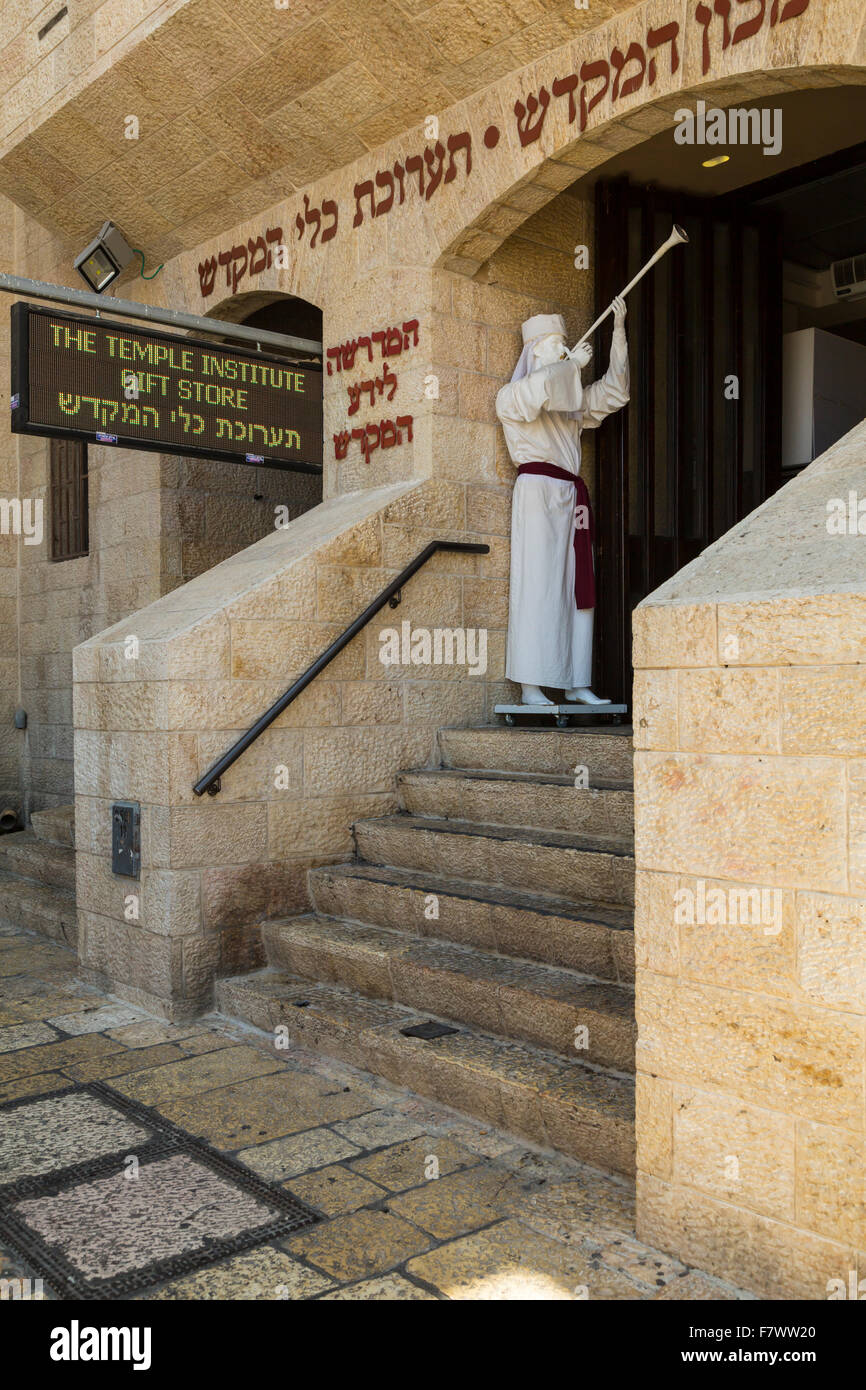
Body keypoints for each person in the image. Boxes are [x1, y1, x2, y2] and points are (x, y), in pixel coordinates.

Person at [495, 298, 629, 706]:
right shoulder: (512, 396)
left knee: (576, 587)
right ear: (534, 350)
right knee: (538, 585)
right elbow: (538, 392)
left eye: (565, 345)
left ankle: (575, 680)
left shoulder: (569, 403)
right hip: (537, 493)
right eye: (556, 344)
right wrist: (570, 367)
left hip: (571, 496)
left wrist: (619, 334)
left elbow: (614, 393)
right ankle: (532, 685)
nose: (564, 350)